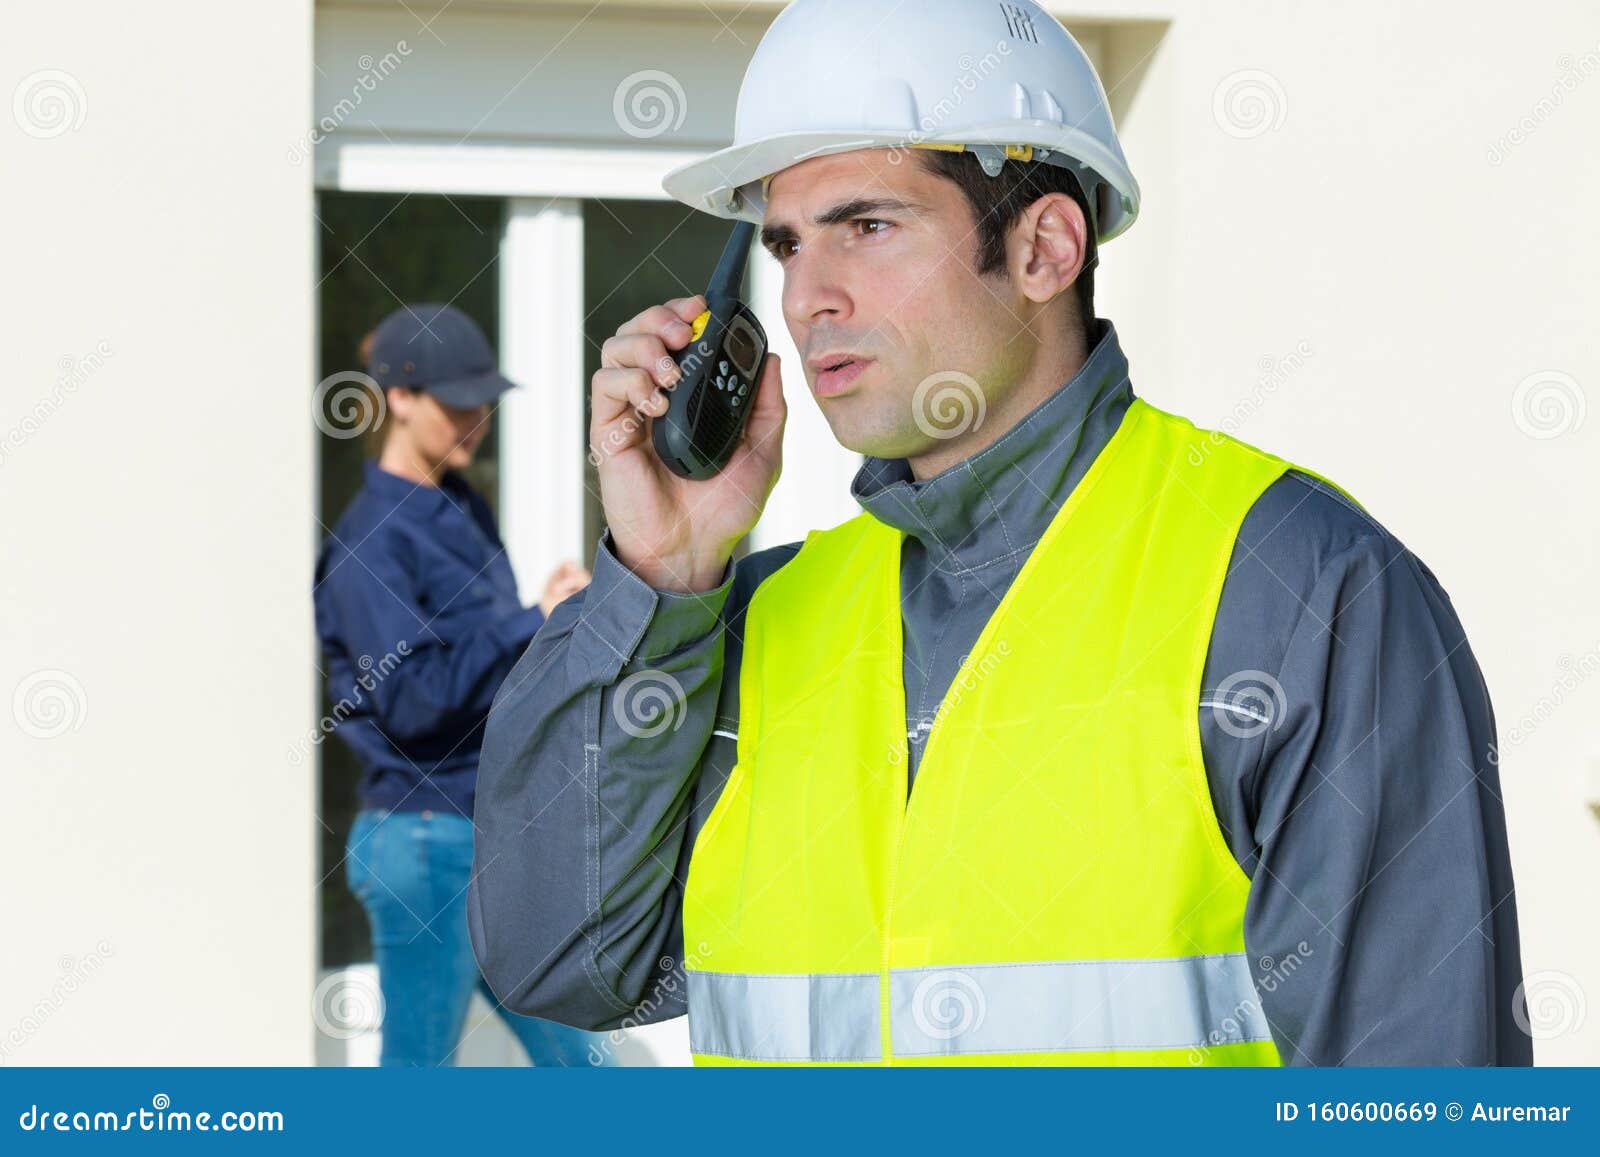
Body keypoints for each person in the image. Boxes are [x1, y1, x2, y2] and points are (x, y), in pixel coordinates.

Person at [468, 0, 1528, 1066]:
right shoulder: (748, 620)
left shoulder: (1300, 587)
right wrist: (660, 575)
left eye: (867, 227)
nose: (805, 298)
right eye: (787, 244)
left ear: (1043, 246)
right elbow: (559, 958)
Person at [314, 302, 612, 1067]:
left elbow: (484, 663)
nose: (475, 419)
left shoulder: (460, 503)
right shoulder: (371, 543)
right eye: (456, 403)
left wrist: (546, 622)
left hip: (485, 832)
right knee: (417, 1075)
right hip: (425, 838)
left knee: (585, 1069)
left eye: (483, 401)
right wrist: (527, 620)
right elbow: (410, 700)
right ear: (399, 398)